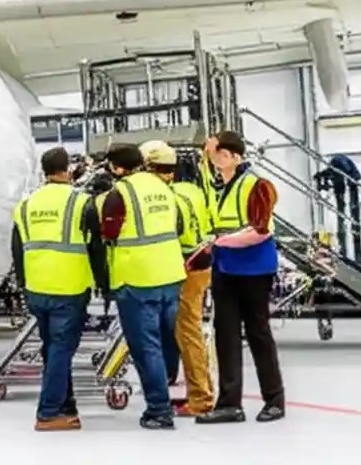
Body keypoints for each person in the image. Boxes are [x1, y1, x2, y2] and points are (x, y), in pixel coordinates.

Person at [11, 147, 106, 431]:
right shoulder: (82, 202)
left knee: (52, 347)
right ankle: (49, 412)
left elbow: (17, 250)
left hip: (37, 288)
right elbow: (97, 248)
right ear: (67, 169)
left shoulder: (25, 205)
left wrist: (23, 284)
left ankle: (65, 405)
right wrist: (104, 283)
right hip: (70, 287)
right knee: (61, 350)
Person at [195, 131, 287, 425]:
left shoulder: (257, 185)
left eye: (219, 153)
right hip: (225, 268)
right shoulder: (217, 184)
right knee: (226, 335)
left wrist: (221, 242)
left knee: (258, 332)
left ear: (234, 156)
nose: (214, 158)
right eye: (213, 154)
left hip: (254, 267)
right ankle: (229, 403)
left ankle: (274, 399)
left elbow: (261, 230)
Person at [100, 142, 187, 430]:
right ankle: (169, 385)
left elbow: (108, 232)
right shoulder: (164, 187)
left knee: (145, 346)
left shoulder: (119, 193)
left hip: (136, 277)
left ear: (117, 168)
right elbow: (179, 226)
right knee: (166, 338)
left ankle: (159, 410)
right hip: (170, 274)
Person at [139, 140, 217, 418]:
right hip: (202, 263)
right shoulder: (195, 190)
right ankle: (199, 390)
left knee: (188, 334)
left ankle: (201, 398)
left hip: (186, 267)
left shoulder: (168, 196)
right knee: (189, 332)